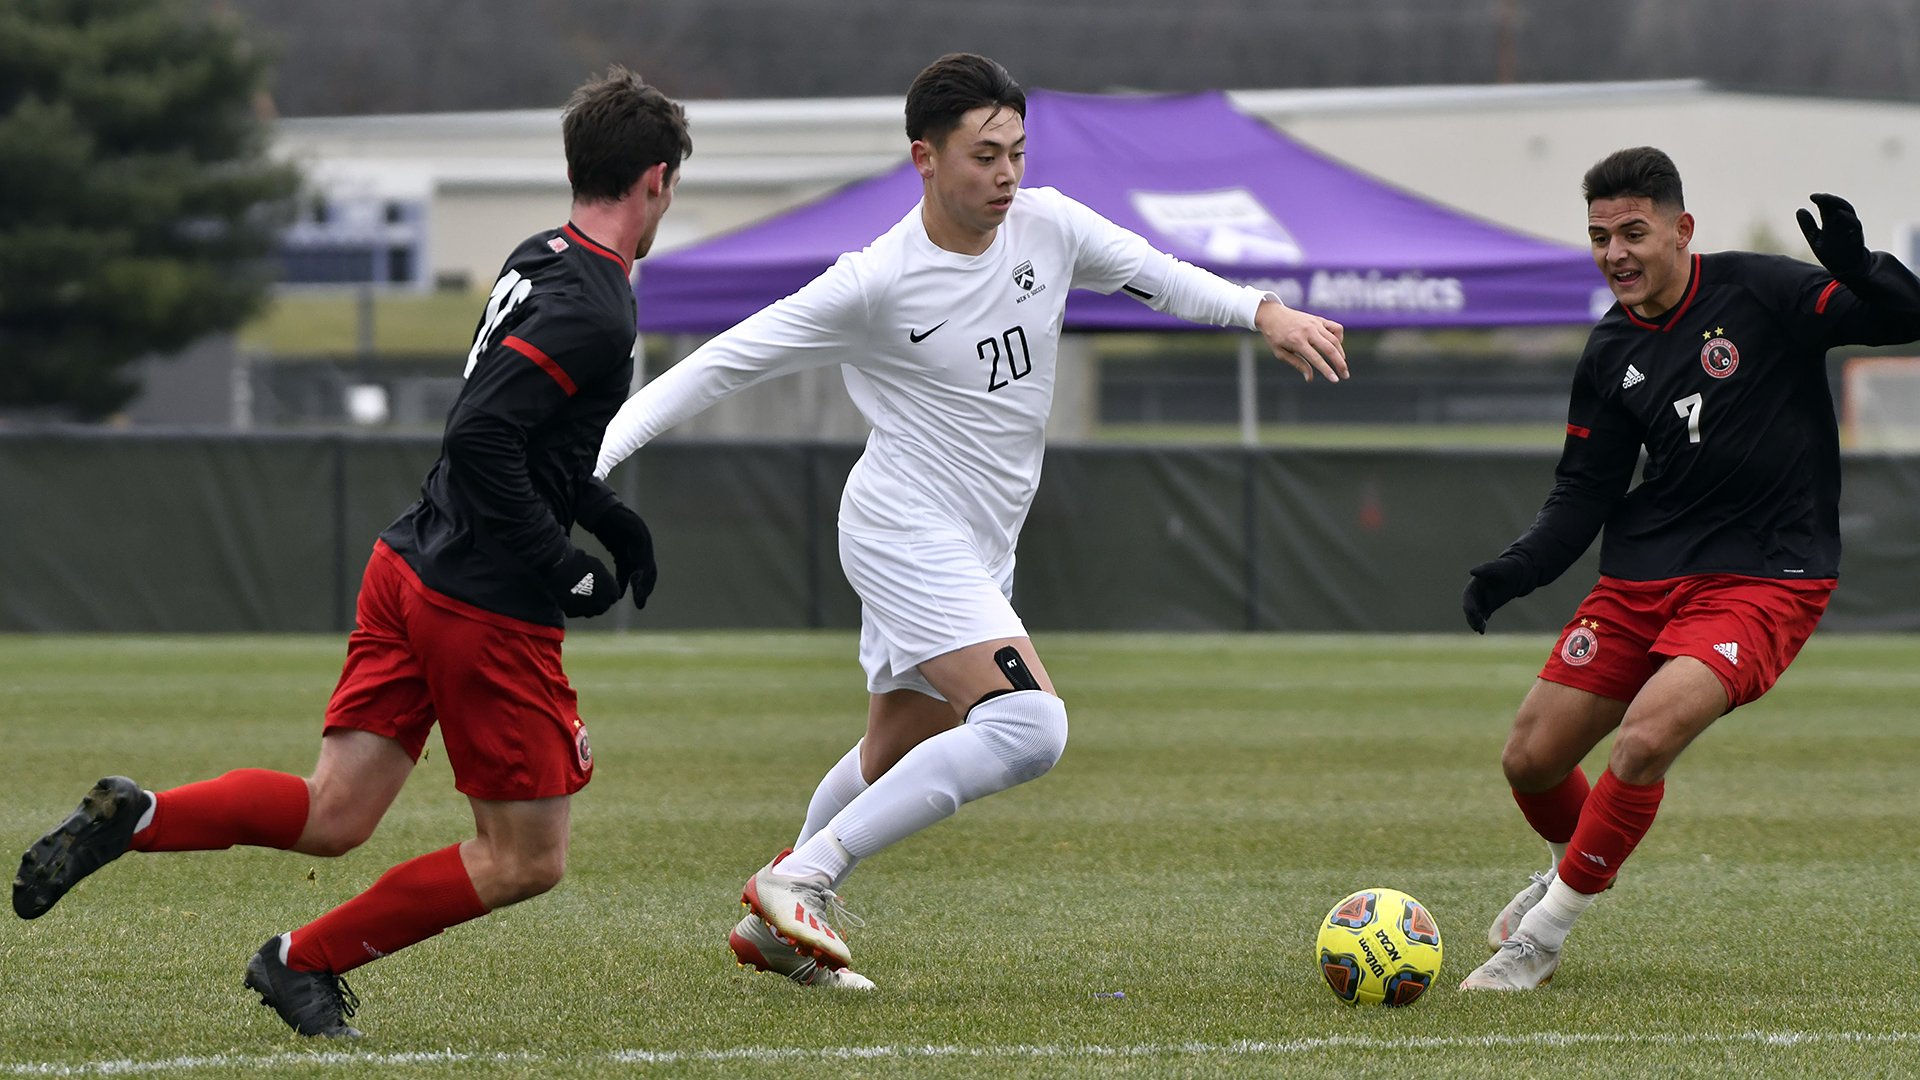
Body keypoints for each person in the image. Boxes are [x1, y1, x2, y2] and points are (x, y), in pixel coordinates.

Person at [594, 53, 1348, 989]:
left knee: (893, 748)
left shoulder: (1049, 227)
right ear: (924, 158)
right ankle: (802, 877)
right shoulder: (873, 282)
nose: (1006, 175)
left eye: (1017, 153)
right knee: (1030, 724)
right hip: (903, 527)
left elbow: (1158, 276)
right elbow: (722, 365)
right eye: (985, 155)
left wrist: (1265, 311)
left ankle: (782, 928)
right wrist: (587, 462)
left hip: (980, 542)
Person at [11, 67, 685, 1036]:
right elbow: (483, 439)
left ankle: (144, 815)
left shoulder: (539, 254)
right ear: (656, 181)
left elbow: (520, 434)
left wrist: (608, 517)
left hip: (411, 562)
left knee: (336, 812)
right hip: (480, 601)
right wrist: (561, 560)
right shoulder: (599, 301)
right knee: (526, 856)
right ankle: (301, 962)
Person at [1457, 147, 1920, 991]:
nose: (1615, 254)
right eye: (1599, 237)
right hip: (1646, 573)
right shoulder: (1608, 351)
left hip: (1766, 576)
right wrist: (1518, 568)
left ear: (1682, 230)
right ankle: (1574, 863)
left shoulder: (1761, 290)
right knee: (1530, 759)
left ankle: (1544, 938)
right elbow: (1584, 490)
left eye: (1633, 233)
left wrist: (1864, 270)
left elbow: (1905, 317)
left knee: (1645, 739)